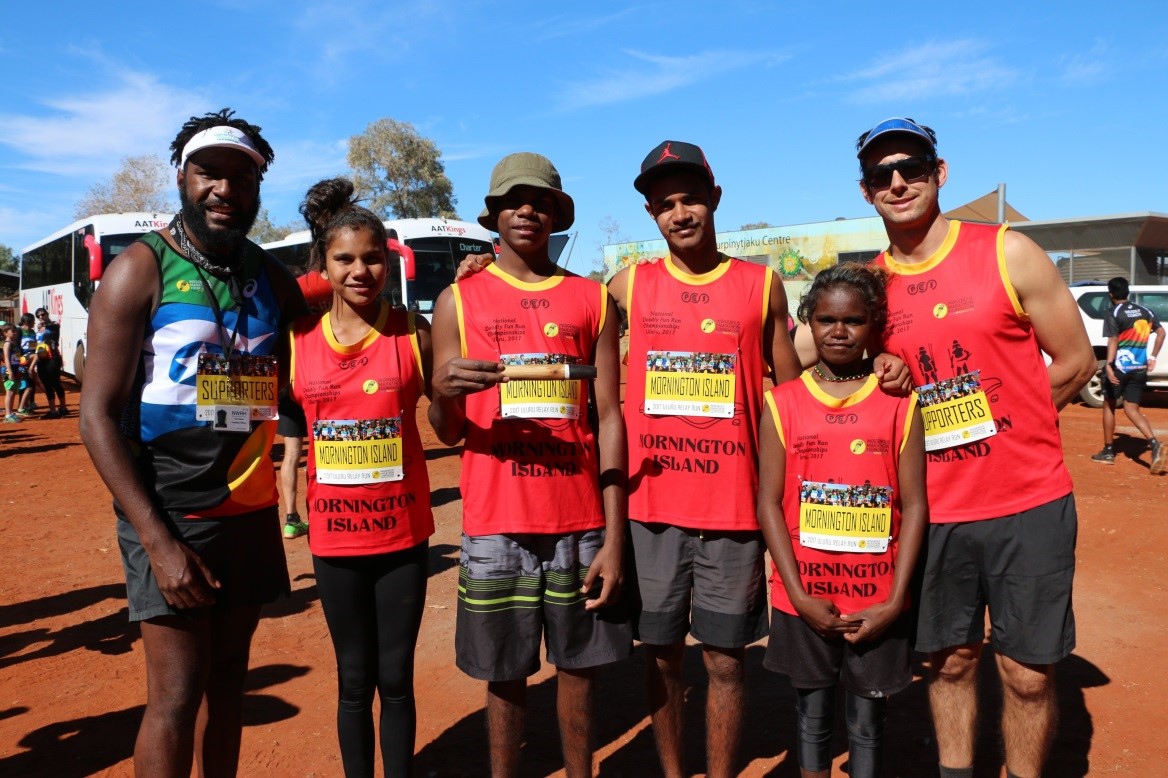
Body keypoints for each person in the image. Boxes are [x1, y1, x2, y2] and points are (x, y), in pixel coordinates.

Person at [854, 117, 1096, 778]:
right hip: (932, 513)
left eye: (912, 167)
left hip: (1028, 501)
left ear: (941, 172)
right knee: (948, 662)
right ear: (866, 190)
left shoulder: (1007, 251)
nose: (898, 182)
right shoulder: (869, 290)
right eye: (882, 174)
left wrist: (1007, 430)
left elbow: (1074, 361)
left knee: (1026, 673)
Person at [79, 108, 307, 777]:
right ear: (182, 176)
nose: (225, 189)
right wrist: (158, 542)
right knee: (176, 695)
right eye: (210, 172)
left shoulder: (270, 277)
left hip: (248, 508)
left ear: (258, 189)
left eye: (242, 177)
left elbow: (337, 333)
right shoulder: (139, 271)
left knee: (227, 688)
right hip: (170, 513)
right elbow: (95, 417)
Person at [428, 152, 631, 778]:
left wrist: (615, 535)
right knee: (505, 673)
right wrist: (442, 390)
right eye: (515, 200)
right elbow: (446, 428)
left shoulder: (590, 298)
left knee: (579, 669)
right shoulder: (457, 301)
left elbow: (608, 418)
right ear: (494, 213)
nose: (527, 211)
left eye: (540, 202)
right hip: (496, 522)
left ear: (555, 214)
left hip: (579, 519)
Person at [288, 177, 435, 776]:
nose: (360, 271)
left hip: (403, 537)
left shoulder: (414, 334)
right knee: (353, 679)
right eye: (344, 259)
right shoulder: (296, 343)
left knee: (395, 678)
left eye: (372, 257)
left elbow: (452, 416)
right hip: (334, 540)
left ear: (388, 260)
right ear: (324, 266)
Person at [757, 263, 927, 777]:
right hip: (805, 597)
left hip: (876, 601)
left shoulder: (900, 403)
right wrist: (799, 596)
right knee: (811, 717)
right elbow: (768, 502)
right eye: (827, 319)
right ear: (808, 321)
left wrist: (896, 600)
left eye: (854, 321)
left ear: (873, 325)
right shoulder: (782, 403)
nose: (839, 331)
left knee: (869, 720)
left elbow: (915, 504)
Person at [1090, 276, 1166, 472]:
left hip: (1120, 369)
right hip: (1139, 369)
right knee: (1132, 409)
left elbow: (1113, 339)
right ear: (1128, 292)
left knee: (1109, 404)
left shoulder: (1113, 312)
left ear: (1111, 294)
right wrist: (1153, 357)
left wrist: (1108, 365)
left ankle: (1108, 452)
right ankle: (1154, 444)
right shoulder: (1145, 311)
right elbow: (1161, 333)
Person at [277, 392, 309, 538]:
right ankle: (329, 515)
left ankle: (292, 520)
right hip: (315, 390)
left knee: (291, 455)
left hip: (286, 395)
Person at [34, 307, 68, 417]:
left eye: (43, 314)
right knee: (47, 384)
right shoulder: (39, 329)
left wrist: (44, 327)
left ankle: (63, 408)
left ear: (47, 314)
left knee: (56, 382)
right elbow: (36, 344)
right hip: (41, 358)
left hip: (53, 357)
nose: (41, 317)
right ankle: (52, 411)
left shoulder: (53, 325)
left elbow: (55, 326)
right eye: (38, 316)